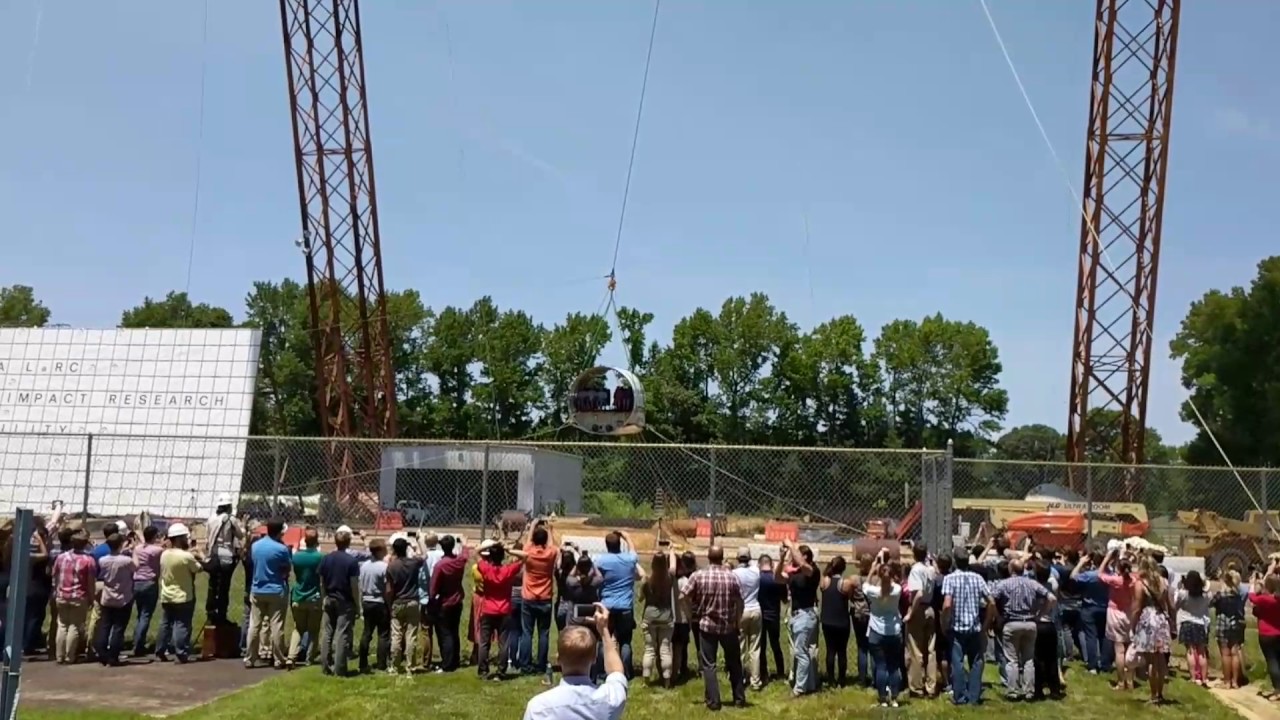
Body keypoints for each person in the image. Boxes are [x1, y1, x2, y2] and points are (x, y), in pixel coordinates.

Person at [521, 604, 628, 720]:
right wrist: (604, 630)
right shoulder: (609, 699)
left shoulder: (539, 707)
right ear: (594, 658)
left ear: (558, 658)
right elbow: (616, 673)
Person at [682, 545, 746, 710]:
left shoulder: (698, 575)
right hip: (728, 626)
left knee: (709, 664)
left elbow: (683, 596)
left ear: (708, 557)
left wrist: (690, 615)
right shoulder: (732, 577)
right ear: (722, 557)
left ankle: (713, 701)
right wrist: (738, 621)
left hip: (707, 625)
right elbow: (740, 601)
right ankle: (739, 697)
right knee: (734, 662)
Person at [991, 556, 1054, 701]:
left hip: (1011, 623)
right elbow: (1051, 598)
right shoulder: (1032, 583)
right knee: (1028, 660)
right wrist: (1040, 615)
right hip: (1030, 623)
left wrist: (998, 617)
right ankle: (1029, 691)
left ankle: (1013, 691)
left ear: (1011, 569)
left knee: (1012, 660)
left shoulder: (1003, 584)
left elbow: (991, 600)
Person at [942, 549, 992, 706]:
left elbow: (947, 604)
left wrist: (945, 622)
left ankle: (960, 696)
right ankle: (974, 696)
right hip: (975, 627)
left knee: (957, 662)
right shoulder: (977, 578)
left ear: (955, 562)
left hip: (957, 627)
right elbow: (991, 601)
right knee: (976, 662)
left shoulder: (949, 578)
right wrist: (986, 624)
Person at [595, 531, 644, 678]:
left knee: (604, 638)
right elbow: (634, 552)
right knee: (625, 641)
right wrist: (627, 536)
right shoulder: (629, 559)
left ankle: (602, 671)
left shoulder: (601, 561)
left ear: (607, 545)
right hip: (625, 606)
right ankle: (627, 672)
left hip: (607, 606)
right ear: (620, 544)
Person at [246, 519, 292, 670]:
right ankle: (279, 659)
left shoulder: (255, 546)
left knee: (255, 625)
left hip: (258, 588)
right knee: (277, 626)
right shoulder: (282, 549)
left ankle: (250, 658)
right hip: (276, 589)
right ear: (279, 532)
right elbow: (286, 569)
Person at [157, 523, 204, 663]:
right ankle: (181, 652)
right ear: (179, 538)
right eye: (185, 537)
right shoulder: (186, 556)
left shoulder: (164, 554)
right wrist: (199, 554)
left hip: (166, 594)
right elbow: (199, 568)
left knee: (165, 623)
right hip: (183, 595)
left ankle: (160, 650)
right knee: (181, 624)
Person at [317, 527, 361, 677]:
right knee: (342, 634)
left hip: (329, 598)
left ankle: (324, 664)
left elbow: (322, 582)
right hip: (345, 600)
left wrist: (323, 598)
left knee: (327, 632)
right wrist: (357, 604)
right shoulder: (351, 561)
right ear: (348, 543)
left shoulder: (326, 558)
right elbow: (354, 585)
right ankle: (340, 668)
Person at [863, 549, 904, 708]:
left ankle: (882, 697)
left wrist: (874, 568)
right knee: (894, 666)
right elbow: (894, 582)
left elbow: (866, 584)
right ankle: (894, 697)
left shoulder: (873, 592)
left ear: (879, 576)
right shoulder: (897, 590)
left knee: (881, 666)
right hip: (894, 631)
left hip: (876, 631)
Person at [520, 520, 559, 683]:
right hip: (545, 598)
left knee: (527, 632)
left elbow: (528, 542)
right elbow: (553, 546)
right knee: (544, 633)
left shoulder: (528, 552)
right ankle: (541, 663)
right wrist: (550, 529)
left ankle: (525, 664)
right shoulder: (550, 554)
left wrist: (533, 526)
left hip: (529, 597)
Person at [780, 538, 819, 697]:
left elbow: (803, 566)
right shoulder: (795, 573)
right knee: (803, 651)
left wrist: (791, 546)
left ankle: (799, 688)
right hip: (795, 614)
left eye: (797, 556)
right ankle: (809, 684)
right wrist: (782, 558)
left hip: (806, 614)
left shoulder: (812, 571)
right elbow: (779, 576)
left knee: (800, 652)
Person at [1130, 556, 1172, 705]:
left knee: (1151, 661)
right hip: (1161, 620)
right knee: (1160, 660)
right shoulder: (1164, 582)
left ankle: (1154, 695)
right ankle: (1160, 693)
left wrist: (1133, 625)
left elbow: (1137, 607)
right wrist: (1172, 623)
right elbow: (1170, 605)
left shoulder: (1140, 584)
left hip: (1148, 621)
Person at [51, 529, 95, 664]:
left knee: (62, 625)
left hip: (62, 594)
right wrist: (91, 598)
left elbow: (55, 575)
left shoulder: (61, 557)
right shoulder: (88, 560)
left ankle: (59, 655)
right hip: (79, 596)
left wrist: (56, 590)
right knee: (75, 626)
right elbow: (90, 581)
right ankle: (70, 656)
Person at [428, 534, 470, 672]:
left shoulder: (440, 566)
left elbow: (433, 588)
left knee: (445, 634)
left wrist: (431, 601)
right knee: (454, 631)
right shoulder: (459, 561)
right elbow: (465, 554)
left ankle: (447, 663)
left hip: (444, 602)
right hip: (457, 600)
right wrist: (464, 542)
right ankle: (455, 659)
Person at [1070, 550, 1115, 675]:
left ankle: (1093, 665)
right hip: (1105, 607)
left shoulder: (1090, 575)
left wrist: (1080, 563)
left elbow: (1073, 576)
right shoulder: (1111, 575)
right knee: (1104, 636)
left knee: (1091, 636)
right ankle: (1105, 664)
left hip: (1089, 607)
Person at [385, 535, 424, 674]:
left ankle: (395, 665)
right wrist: (418, 543)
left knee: (396, 635)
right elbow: (424, 556)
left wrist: (390, 604)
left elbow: (389, 589)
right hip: (413, 600)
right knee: (411, 635)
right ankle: (410, 665)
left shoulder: (391, 566)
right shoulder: (413, 563)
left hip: (398, 601)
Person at [204, 494, 245, 626]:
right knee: (224, 587)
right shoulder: (231, 519)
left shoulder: (211, 519)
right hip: (226, 555)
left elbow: (207, 537)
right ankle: (222, 614)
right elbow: (240, 534)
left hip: (213, 555)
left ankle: (210, 613)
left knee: (212, 585)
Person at [95, 533, 135, 666]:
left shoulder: (103, 560)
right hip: (123, 597)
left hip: (108, 596)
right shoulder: (126, 560)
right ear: (120, 545)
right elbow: (136, 567)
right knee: (118, 628)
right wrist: (132, 551)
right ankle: (113, 656)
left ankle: (102, 653)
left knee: (105, 626)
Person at [288, 528, 324, 668]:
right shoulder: (319, 557)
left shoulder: (297, 556)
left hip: (298, 595)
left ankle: (291, 656)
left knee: (298, 628)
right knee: (313, 631)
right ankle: (309, 658)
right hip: (314, 596)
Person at [639, 548, 676, 688]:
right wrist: (671, 551)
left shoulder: (647, 580)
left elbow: (640, 599)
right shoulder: (670, 577)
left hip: (649, 617)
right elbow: (673, 566)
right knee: (665, 649)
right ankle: (667, 680)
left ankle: (646, 680)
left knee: (649, 649)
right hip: (666, 617)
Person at [1030, 560, 1063, 700]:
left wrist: (1039, 613)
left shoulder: (1033, 586)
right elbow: (1055, 598)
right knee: (1051, 658)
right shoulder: (1053, 584)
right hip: (1050, 623)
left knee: (1037, 658)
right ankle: (1054, 689)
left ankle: (1038, 689)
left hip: (1038, 623)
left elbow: (1051, 600)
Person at [1212, 567, 1248, 690]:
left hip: (1223, 624)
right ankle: (1235, 682)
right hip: (1236, 624)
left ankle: (1227, 681)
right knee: (1235, 652)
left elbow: (1211, 603)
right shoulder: (1239, 595)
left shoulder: (1221, 595)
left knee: (1225, 654)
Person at [357, 538, 390, 673]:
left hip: (366, 600)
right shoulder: (384, 567)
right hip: (380, 601)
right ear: (381, 551)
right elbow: (386, 588)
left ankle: (362, 662)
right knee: (383, 634)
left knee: (367, 633)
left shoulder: (364, 566)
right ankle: (382, 663)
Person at [732, 549, 763, 690]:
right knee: (755, 648)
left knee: (740, 647)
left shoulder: (734, 574)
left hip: (741, 610)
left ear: (738, 558)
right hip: (756, 609)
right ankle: (755, 681)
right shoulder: (756, 571)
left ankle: (740, 677)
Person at [819, 555, 852, 687]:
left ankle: (831, 679)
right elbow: (849, 596)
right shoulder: (845, 583)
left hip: (827, 620)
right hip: (842, 621)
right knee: (842, 651)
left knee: (830, 650)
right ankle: (842, 680)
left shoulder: (825, 581)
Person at [130, 525, 163, 656]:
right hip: (150, 582)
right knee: (146, 615)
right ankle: (138, 645)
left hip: (137, 582)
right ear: (155, 536)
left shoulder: (137, 548)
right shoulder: (157, 550)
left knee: (140, 614)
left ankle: (137, 641)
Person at [1248, 565, 1280, 701]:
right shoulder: (1276, 599)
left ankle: (1278, 690)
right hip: (1279, 633)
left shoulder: (1265, 599)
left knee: (1272, 661)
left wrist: (1252, 584)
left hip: (1267, 634)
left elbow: (1252, 597)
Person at [1176, 570, 1211, 687]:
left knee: (1190, 651)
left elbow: (1176, 604)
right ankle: (1204, 678)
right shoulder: (1206, 595)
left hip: (1187, 623)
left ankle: (1193, 677)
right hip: (1200, 624)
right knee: (1202, 652)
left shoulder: (1184, 594)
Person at [756, 553, 787, 684]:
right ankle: (780, 672)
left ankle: (763, 674)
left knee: (761, 647)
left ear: (759, 565)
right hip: (774, 615)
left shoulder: (757, 579)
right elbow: (784, 598)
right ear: (772, 564)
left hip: (761, 615)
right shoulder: (777, 579)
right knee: (776, 644)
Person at [416, 533, 445, 671]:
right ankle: (446, 658)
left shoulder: (423, 556)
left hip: (426, 597)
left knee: (426, 631)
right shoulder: (441, 555)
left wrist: (418, 541)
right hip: (440, 596)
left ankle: (426, 661)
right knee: (441, 629)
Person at [930, 553, 954, 696]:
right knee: (951, 651)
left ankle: (946, 683)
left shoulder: (937, 581)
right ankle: (953, 679)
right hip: (954, 616)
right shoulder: (953, 578)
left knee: (942, 652)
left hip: (940, 615)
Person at [672, 551, 697, 679]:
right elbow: (687, 600)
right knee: (682, 646)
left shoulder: (668, 580)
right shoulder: (686, 581)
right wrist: (690, 617)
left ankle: (671, 671)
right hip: (682, 618)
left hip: (670, 619)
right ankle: (681, 669)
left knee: (671, 646)